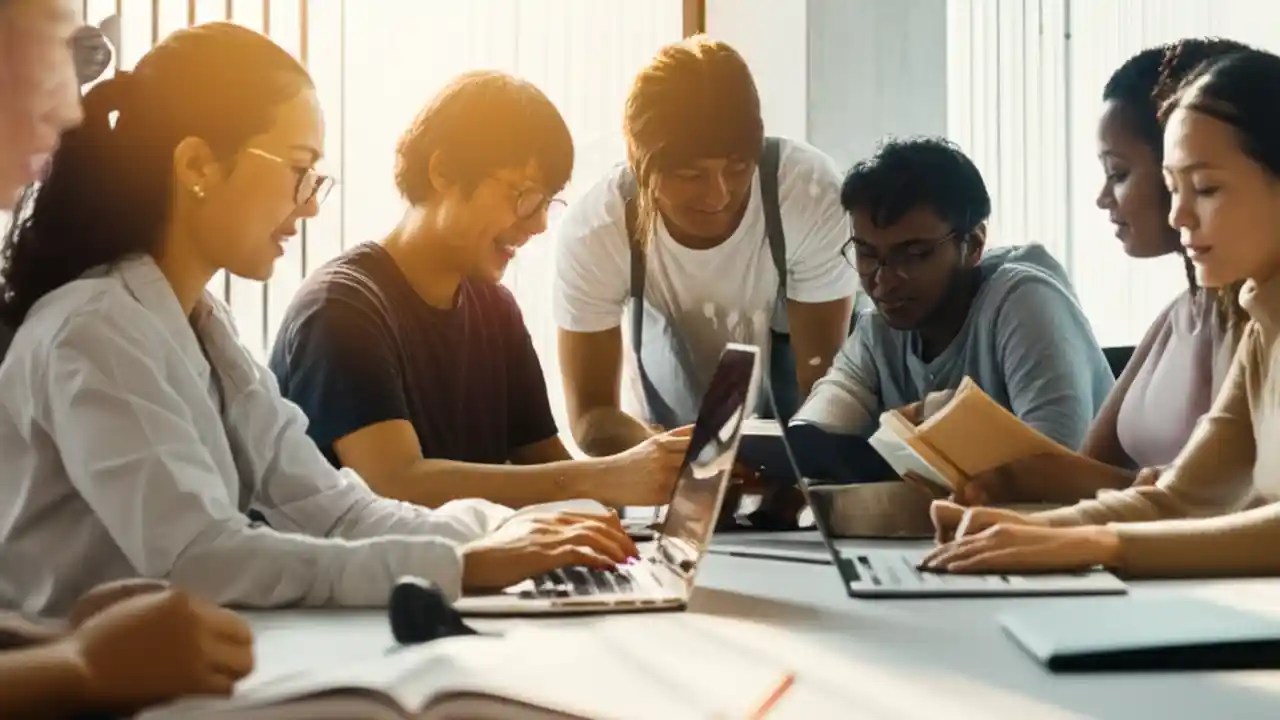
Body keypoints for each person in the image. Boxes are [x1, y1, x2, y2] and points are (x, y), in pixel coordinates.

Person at [0, 21, 636, 619]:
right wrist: (463, 561)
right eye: (298, 170)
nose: (307, 205)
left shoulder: (203, 325)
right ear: (197, 165)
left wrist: (504, 529)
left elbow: (335, 509)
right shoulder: (93, 331)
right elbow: (202, 558)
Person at [925, 47, 1280, 578]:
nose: (1179, 214)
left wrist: (1100, 542)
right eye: (1173, 187)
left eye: (1205, 188)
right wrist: (1028, 529)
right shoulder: (1262, 328)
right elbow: (1181, 500)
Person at [269, 71, 689, 511]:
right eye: (525, 196)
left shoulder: (495, 310)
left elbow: (545, 465)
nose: (540, 224)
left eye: (548, 203)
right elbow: (396, 482)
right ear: (443, 170)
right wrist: (608, 477)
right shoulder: (341, 311)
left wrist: (641, 486)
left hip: (472, 573)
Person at [0, 2, 253, 715]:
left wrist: (39, 637)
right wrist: (75, 664)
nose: (72, 111)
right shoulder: (87, 325)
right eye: (48, 54)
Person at [554, 36, 857, 456]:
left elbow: (825, 389)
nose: (717, 196)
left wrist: (792, 475)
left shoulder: (808, 194)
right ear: (638, 161)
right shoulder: (598, 229)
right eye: (689, 175)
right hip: (661, 449)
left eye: (737, 168)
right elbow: (592, 417)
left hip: (793, 446)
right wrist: (681, 465)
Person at [792, 137, 1114, 452]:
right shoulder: (879, 330)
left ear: (973, 244)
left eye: (914, 254)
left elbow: (1056, 462)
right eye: (867, 254)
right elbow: (817, 435)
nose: (884, 281)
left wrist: (927, 415)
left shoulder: (1025, 303)